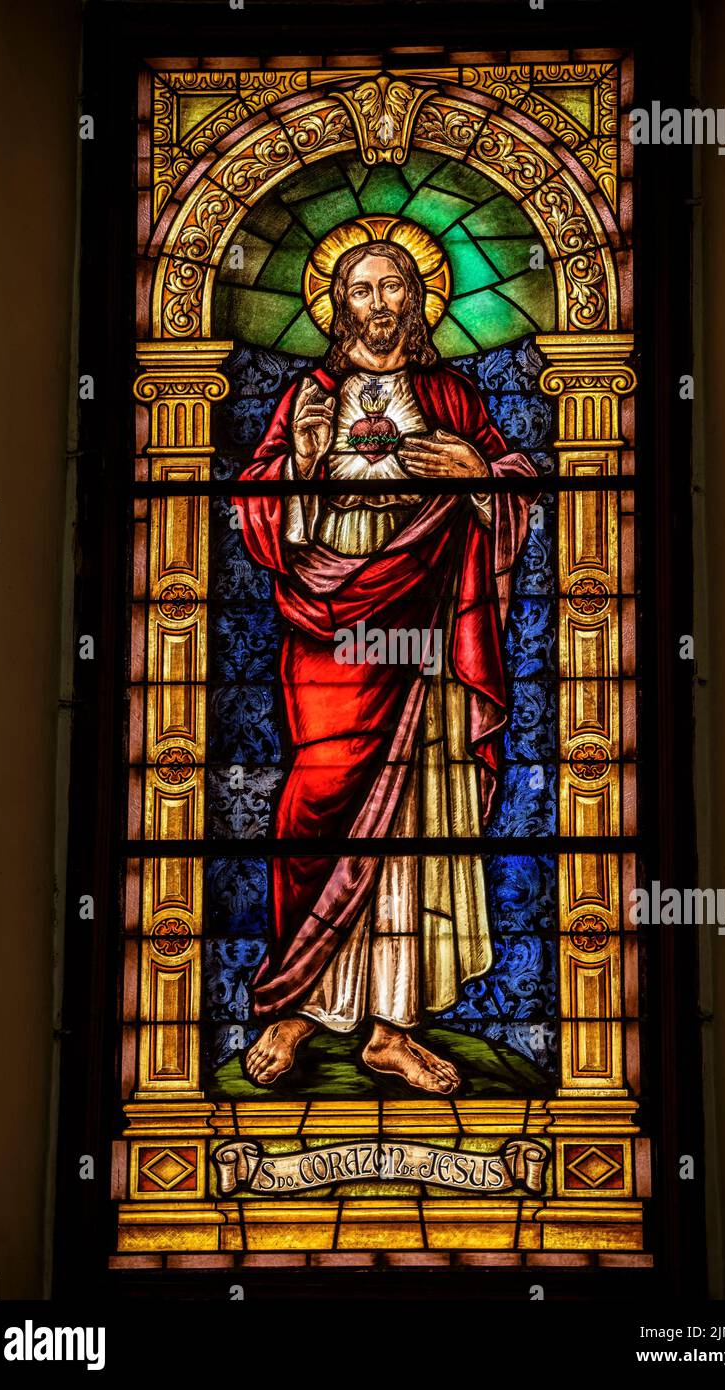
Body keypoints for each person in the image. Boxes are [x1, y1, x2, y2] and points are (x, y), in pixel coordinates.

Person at [233, 237, 537, 1094]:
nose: (377, 303)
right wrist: (296, 466)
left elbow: (514, 485)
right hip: (327, 637)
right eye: (359, 289)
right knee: (317, 795)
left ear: (417, 300)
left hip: (428, 632)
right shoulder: (304, 398)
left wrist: (479, 472)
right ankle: (296, 1006)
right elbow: (252, 512)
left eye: (392, 286)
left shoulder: (449, 394)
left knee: (418, 804)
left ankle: (390, 1027)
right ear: (335, 305)